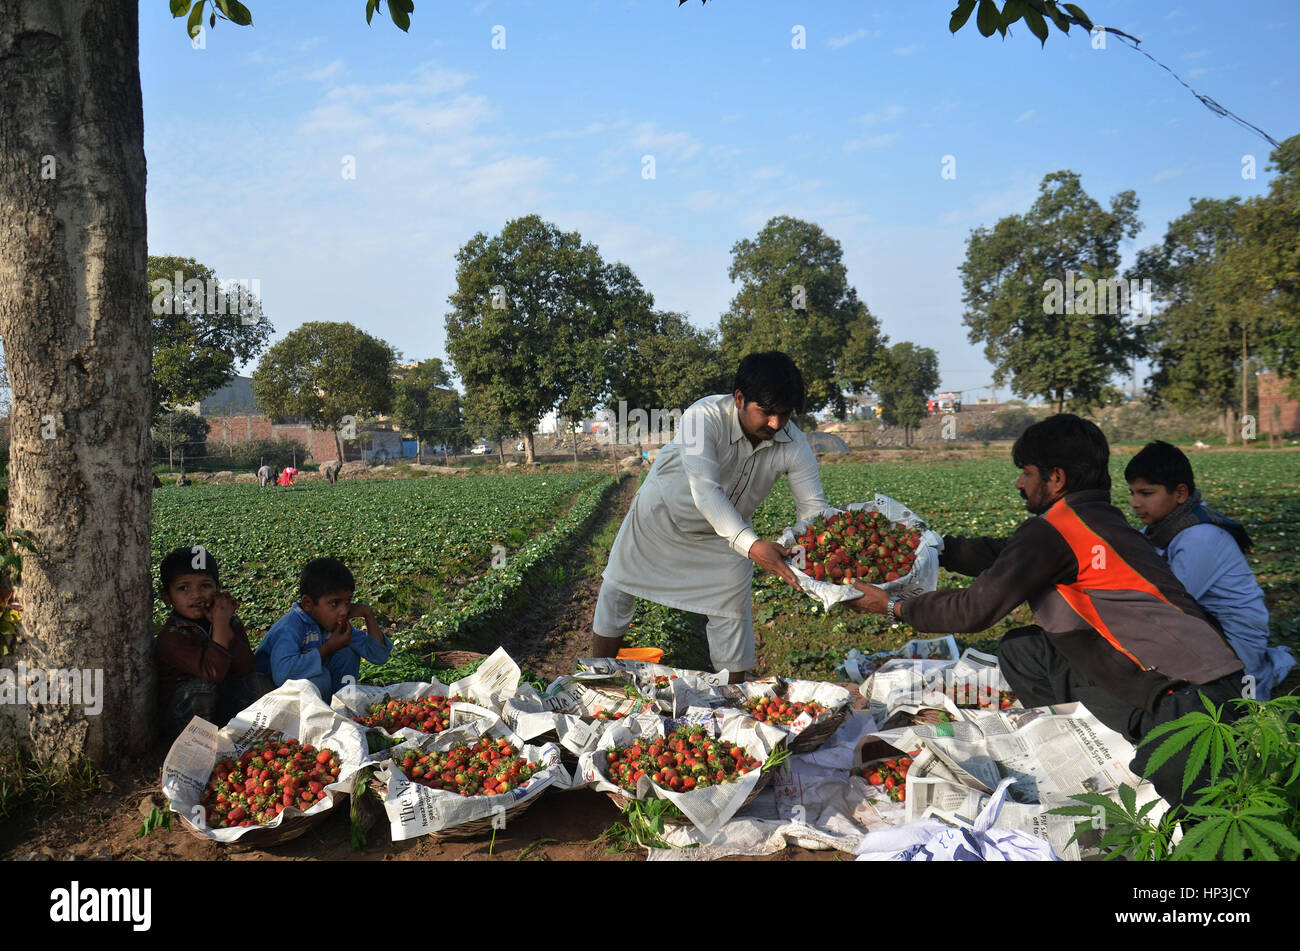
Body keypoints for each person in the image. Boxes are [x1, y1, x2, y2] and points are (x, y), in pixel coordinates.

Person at [845, 415, 1244, 808]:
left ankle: (1132, 752)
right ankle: (1085, 740)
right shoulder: (1094, 519)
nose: (1020, 482)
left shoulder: (1056, 531)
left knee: (1190, 812)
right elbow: (1007, 555)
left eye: (1027, 472)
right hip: (1198, 674)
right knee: (1024, 650)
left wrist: (895, 606)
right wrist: (937, 549)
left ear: (1056, 479)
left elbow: (974, 609)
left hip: (1187, 693)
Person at [591, 351, 826, 682]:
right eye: (767, 412)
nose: (776, 424)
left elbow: (814, 509)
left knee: (731, 613)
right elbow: (705, 492)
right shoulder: (702, 418)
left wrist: (820, 561)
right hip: (659, 520)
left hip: (726, 537)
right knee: (618, 589)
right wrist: (755, 546)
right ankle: (597, 679)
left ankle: (733, 701)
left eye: (785, 414)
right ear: (740, 399)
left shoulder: (793, 443)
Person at [1125, 440, 1292, 700]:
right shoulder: (1158, 529)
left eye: (1146, 494)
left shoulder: (1200, 538)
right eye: (1132, 493)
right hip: (1203, 621)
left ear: (1180, 493)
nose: (1135, 503)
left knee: (1216, 699)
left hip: (1231, 635)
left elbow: (1168, 603)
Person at [155, 547, 274, 741]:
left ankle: (250, 739)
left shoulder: (228, 620)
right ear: (167, 597)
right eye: (183, 588)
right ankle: (198, 749)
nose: (196, 595)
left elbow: (245, 667)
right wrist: (220, 625)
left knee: (258, 682)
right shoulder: (172, 636)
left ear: (217, 589)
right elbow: (213, 673)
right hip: (185, 717)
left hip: (222, 705)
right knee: (201, 690)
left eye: (205, 585)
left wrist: (225, 624)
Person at [254, 557, 391, 702]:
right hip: (267, 695)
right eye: (334, 603)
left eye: (347, 602)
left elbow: (379, 656)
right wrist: (328, 648)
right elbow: (283, 674)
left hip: (304, 692)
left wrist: (368, 615)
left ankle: (345, 705)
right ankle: (322, 717)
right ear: (308, 603)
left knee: (348, 653)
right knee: (321, 679)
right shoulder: (290, 626)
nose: (344, 611)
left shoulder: (335, 626)